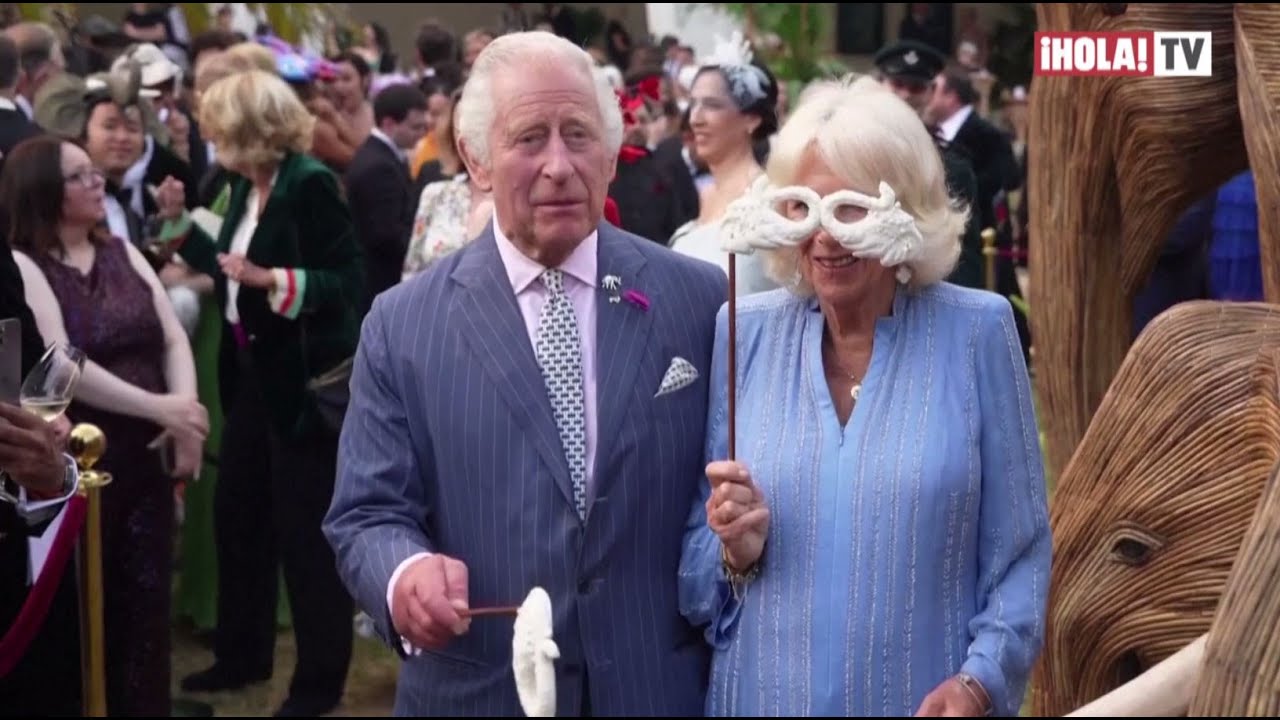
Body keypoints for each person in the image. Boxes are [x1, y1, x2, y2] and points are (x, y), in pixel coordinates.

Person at [324, 30, 727, 716]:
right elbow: (366, 514)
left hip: (654, 688)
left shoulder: (700, 299)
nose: (560, 165)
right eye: (530, 138)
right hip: (481, 688)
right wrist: (404, 574)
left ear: (609, 154)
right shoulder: (402, 325)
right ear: (475, 160)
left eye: (578, 135)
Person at [677, 76, 1051, 717]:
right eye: (806, 209)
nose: (826, 236)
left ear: (908, 211)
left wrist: (980, 680)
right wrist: (735, 549)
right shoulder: (743, 332)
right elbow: (697, 569)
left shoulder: (978, 332)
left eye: (853, 208)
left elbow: (1021, 549)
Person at [168, 69, 361, 717]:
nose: (207, 133)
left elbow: (345, 281)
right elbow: (228, 266)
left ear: (249, 128)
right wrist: (178, 224)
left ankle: (317, 686)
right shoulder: (234, 183)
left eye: (217, 123)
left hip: (302, 387)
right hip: (250, 378)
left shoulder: (309, 184)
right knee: (238, 518)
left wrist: (269, 278)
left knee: (307, 539)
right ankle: (240, 656)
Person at [873, 39, 984, 290]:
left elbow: (965, 255)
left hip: (928, 295)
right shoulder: (850, 155)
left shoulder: (952, 168)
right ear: (879, 85)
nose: (906, 94)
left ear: (930, 92)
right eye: (897, 84)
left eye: (916, 86)